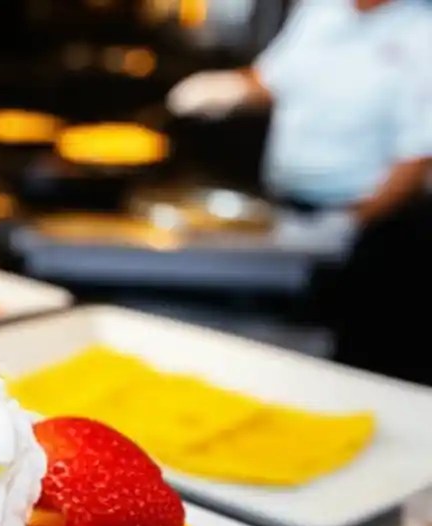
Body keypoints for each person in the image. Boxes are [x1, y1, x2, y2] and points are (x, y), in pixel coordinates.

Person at [168, 0, 432, 384]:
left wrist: (349, 223)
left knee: (347, 361)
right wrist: (228, 87)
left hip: (370, 231)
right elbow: (275, 78)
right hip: (287, 210)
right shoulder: (321, 10)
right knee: (270, 352)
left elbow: (418, 154)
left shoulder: (422, 34)